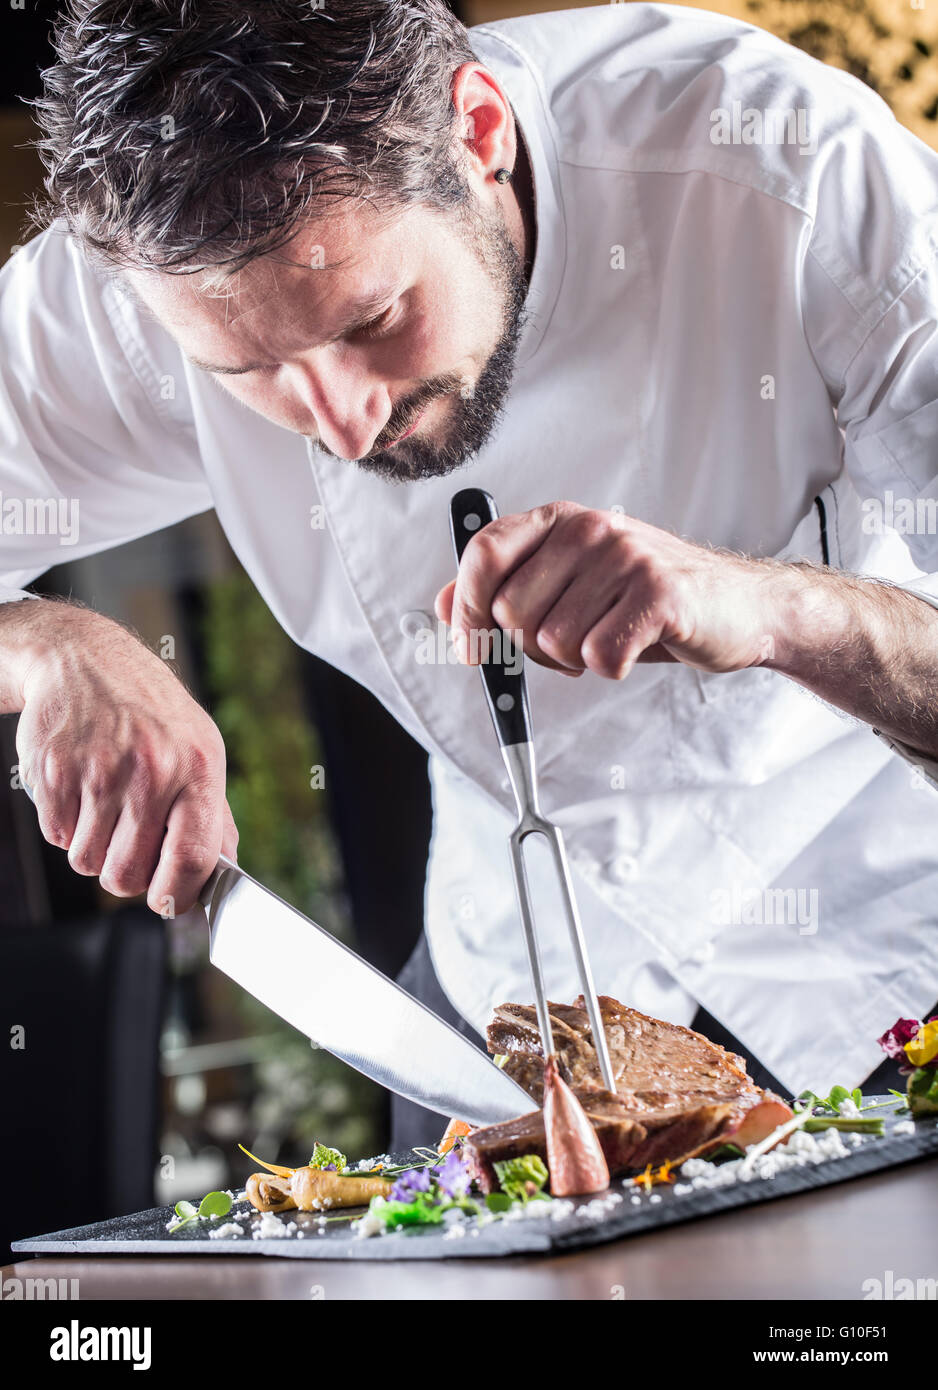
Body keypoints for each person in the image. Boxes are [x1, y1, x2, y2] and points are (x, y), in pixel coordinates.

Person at [1, 0, 936, 1148]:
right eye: (248, 370)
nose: (339, 425)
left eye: (373, 318)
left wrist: (775, 610)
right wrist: (51, 645)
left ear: (477, 129)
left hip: (878, 953)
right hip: (505, 1012)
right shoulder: (119, 296)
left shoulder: (786, 166)